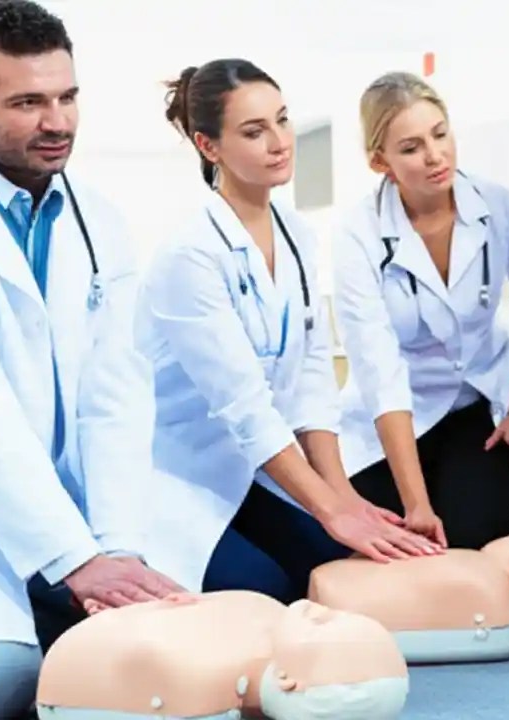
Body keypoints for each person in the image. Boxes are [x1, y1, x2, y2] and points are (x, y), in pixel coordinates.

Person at [0, 1, 180, 717]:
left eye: (67, 96)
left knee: (166, 621)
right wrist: (79, 562)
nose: (58, 123)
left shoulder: (98, 220)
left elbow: (115, 395)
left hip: (55, 501)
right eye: (27, 103)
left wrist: (117, 547)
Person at [135, 59, 442, 604]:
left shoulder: (297, 236)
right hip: (176, 474)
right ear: (209, 147)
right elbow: (245, 406)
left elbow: (310, 383)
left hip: (253, 471)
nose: (280, 142)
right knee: (267, 592)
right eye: (255, 132)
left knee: (338, 570)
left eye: (282, 120)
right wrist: (328, 509)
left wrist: (343, 498)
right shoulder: (190, 255)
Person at [333, 71, 509, 551]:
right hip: (391, 422)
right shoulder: (358, 233)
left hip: (476, 409)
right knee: (392, 542)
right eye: (410, 147)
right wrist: (416, 506)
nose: (435, 156)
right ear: (379, 161)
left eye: (440, 134)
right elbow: (379, 370)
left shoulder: (498, 204)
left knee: (469, 537)